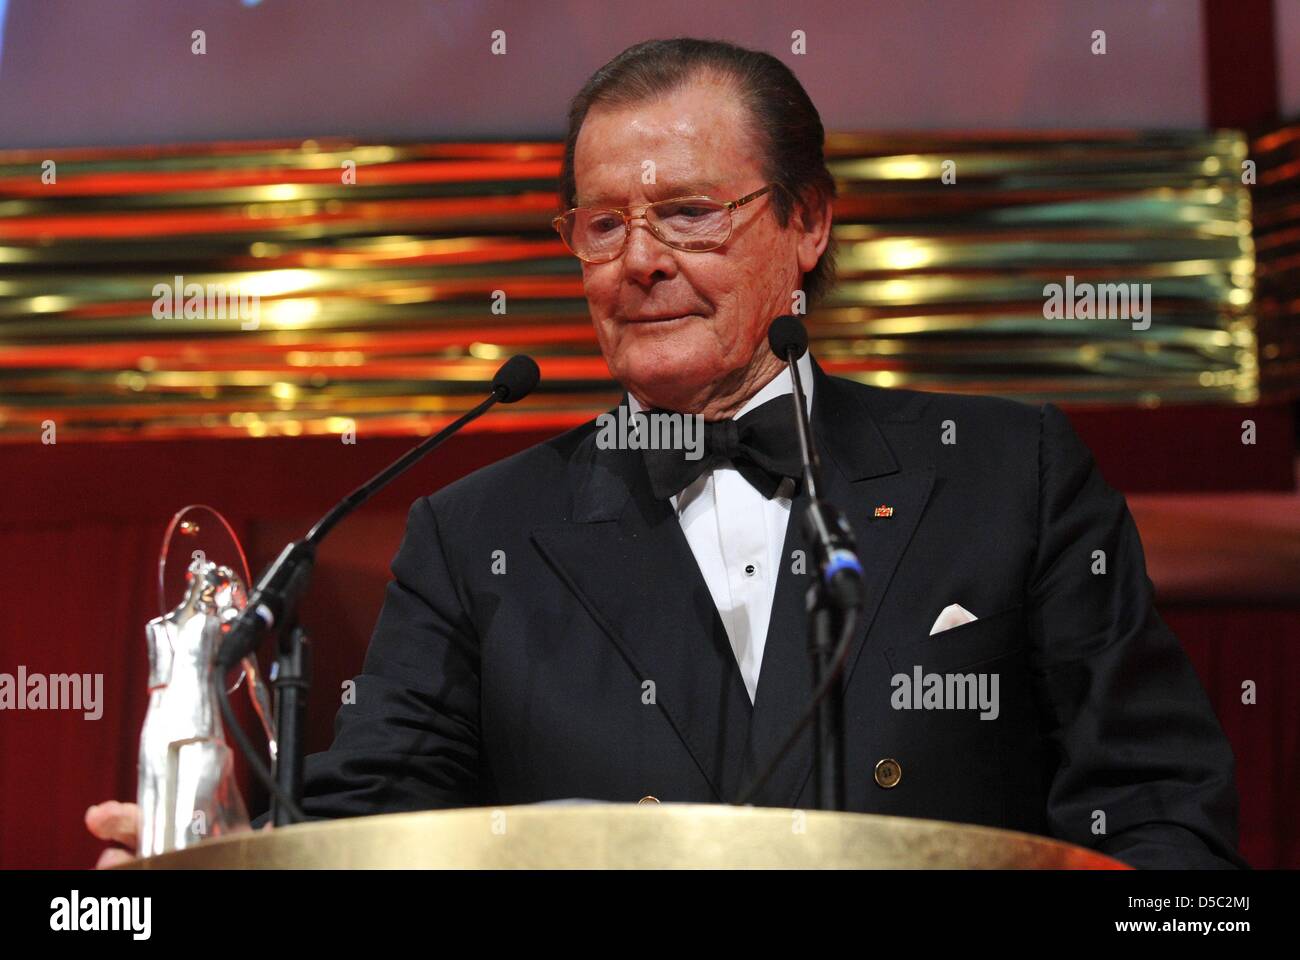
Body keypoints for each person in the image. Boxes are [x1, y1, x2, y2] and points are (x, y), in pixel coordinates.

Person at [88, 37, 1245, 869]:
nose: (637, 260)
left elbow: (1158, 812)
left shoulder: (1011, 472)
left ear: (807, 223)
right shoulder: (474, 535)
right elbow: (374, 835)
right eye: (602, 223)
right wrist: (224, 864)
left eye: (689, 212)